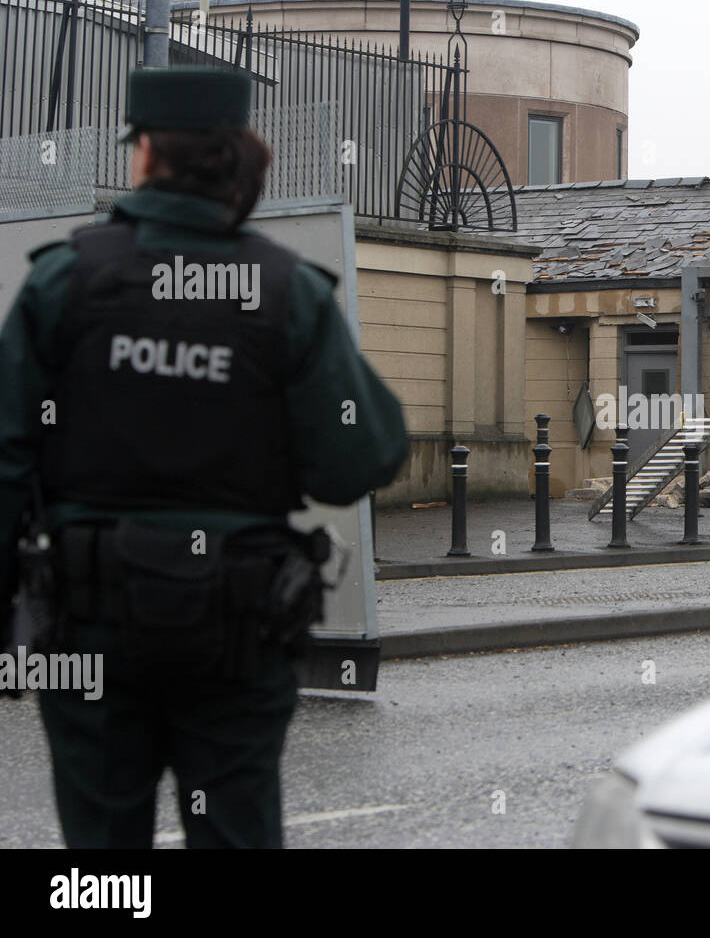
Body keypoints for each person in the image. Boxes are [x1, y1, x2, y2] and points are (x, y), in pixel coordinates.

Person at [0, 67, 409, 848]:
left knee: (101, 860)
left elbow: (4, 458)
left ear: (146, 152)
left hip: (90, 621)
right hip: (240, 622)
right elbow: (359, 457)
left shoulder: (66, 280)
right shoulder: (288, 291)